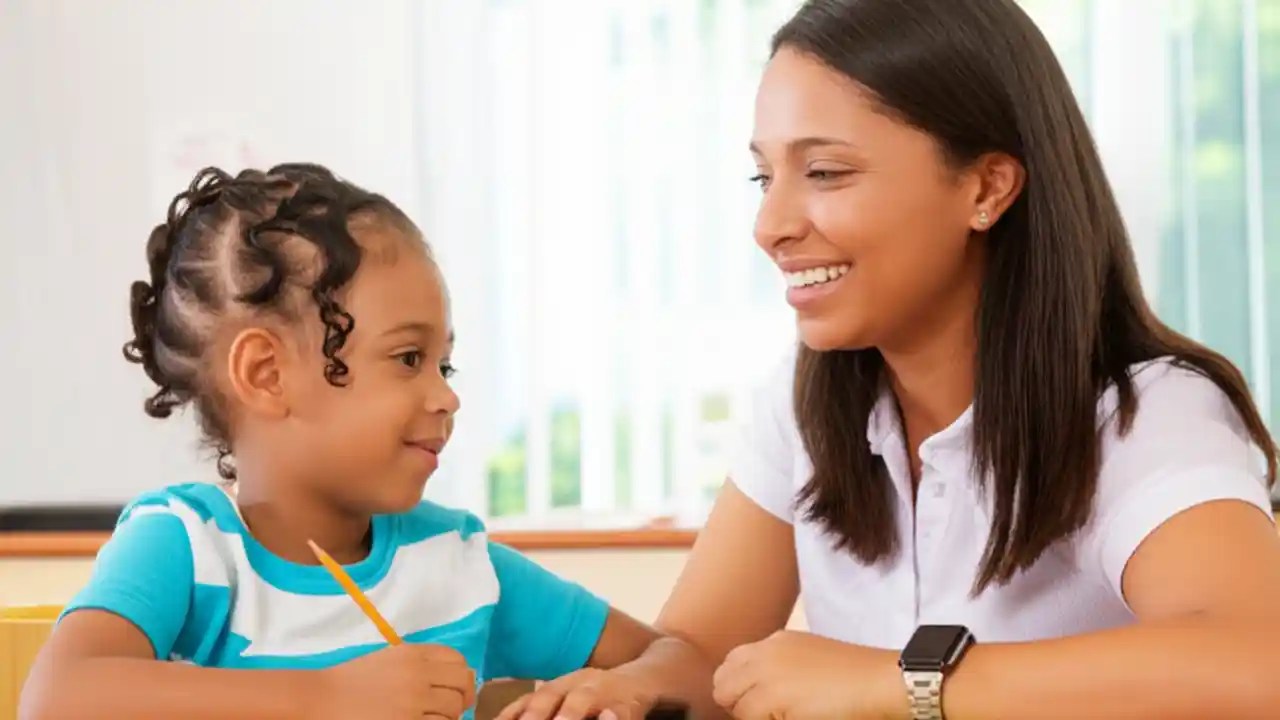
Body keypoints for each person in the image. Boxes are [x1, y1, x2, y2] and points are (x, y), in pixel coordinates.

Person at [510, 1, 1280, 719]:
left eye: (825, 173)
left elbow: (1257, 663)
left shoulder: (1142, 411)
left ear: (986, 187)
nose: (770, 224)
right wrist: (632, 689)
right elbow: (709, 653)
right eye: (763, 175)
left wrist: (901, 679)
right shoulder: (805, 405)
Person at [18, 164, 716, 720]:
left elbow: (682, 665)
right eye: (408, 359)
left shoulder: (458, 565)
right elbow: (58, 700)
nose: (446, 395)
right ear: (266, 374)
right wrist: (323, 700)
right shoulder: (189, 547)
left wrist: (614, 696)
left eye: (445, 363)